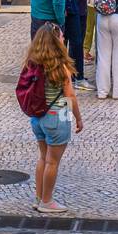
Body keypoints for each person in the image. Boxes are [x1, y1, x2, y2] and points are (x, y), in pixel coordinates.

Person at [20, 24, 82, 215]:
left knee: (43, 158)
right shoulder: (60, 66)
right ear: (57, 41)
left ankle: (39, 198)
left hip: (37, 118)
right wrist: (79, 119)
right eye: (62, 37)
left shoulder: (32, 63)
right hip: (57, 117)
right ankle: (47, 201)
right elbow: (70, 96)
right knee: (52, 162)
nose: (63, 39)